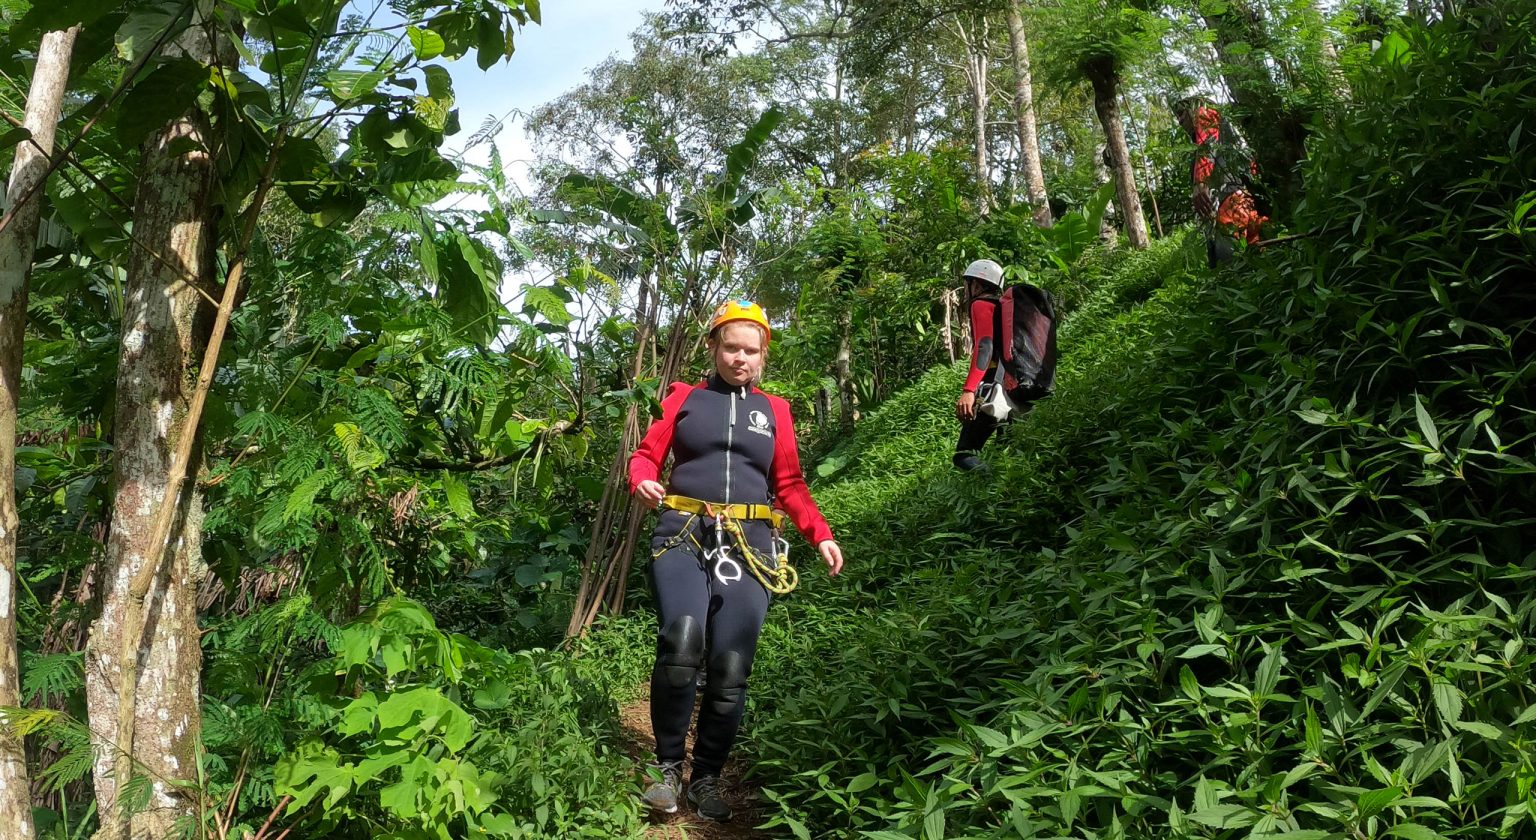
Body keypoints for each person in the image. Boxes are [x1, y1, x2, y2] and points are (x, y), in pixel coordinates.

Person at [629, 298, 845, 822]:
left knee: (730, 666)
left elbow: (789, 483)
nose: (740, 358)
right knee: (682, 640)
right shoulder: (682, 397)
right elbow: (644, 454)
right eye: (730, 347)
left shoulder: (776, 411)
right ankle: (666, 769)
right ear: (713, 347)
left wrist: (820, 534)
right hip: (683, 531)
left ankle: (705, 777)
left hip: (751, 541)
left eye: (751, 350)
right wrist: (641, 480)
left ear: (763, 355)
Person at [1172, 94, 1269, 266]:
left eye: (1181, 113)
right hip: (1246, 196)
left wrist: (1199, 182)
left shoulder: (1205, 112)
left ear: (1193, 108)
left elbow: (1207, 146)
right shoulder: (1228, 129)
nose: (1179, 121)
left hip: (1233, 196)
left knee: (1228, 257)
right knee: (1255, 256)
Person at [953, 259, 1005, 472]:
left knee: (963, 455)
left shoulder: (981, 304)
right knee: (1007, 450)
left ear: (977, 284)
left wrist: (969, 390)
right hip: (1018, 386)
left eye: (969, 283)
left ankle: (990, 482)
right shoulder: (1003, 308)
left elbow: (985, 347)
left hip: (995, 384)